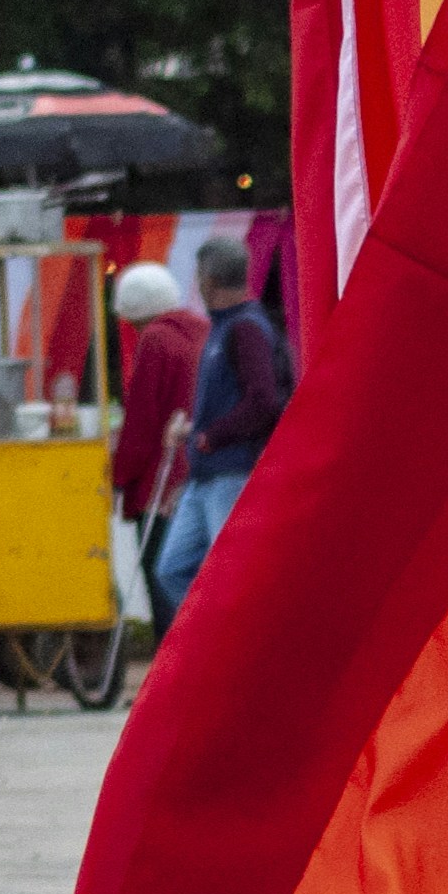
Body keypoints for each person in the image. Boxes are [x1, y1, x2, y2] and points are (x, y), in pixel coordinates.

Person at [152, 244, 287, 619]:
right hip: (209, 471)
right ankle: (210, 640)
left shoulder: (244, 328)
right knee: (174, 568)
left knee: (227, 574)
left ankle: (231, 647)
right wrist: (199, 430)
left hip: (232, 469)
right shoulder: (228, 326)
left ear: (209, 280)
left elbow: (263, 400)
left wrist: (213, 436)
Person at [108, 260, 208, 611]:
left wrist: (119, 475)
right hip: (199, 470)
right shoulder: (201, 329)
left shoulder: (155, 338)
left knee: (160, 571)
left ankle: (169, 653)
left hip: (161, 478)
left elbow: (143, 418)